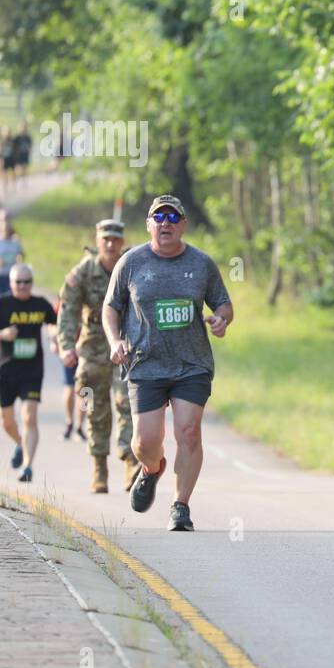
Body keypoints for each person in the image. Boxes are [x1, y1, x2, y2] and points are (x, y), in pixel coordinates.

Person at [104, 195, 233, 531]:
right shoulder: (131, 262)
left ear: (183, 225)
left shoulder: (201, 263)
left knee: (188, 431)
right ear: (148, 225)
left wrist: (221, 320)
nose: (165, 223)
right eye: (158, 217)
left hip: (192, 363)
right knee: (144, 442)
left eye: (173, 217)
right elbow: (111, 308)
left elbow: (223, 304)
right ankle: (151, 468)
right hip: (145, 363)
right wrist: (115, 340)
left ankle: (181, 505)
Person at [58, 219, 137, 494]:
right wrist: (67, 345)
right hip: (92, 346)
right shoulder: (83, 272)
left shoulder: (132, 266)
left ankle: (130, 459)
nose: (111, 244)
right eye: (106, 239)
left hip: (125, 345)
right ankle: (99, 466)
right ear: (98, 239)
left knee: (128, 400)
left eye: (116, 239)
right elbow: (67, 310)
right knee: (93, 404)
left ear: (122, 242)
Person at [0, 262, 57, 483]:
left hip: (32, 370)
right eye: (18, 282)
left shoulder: (40, 305)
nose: (23, 286)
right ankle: (20, 444)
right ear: (11, 283)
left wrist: (53, 336)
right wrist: (2, 334)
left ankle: (27, 466)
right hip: (4, 370)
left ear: (32, 283)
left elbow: (53, 323)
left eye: (27, 282)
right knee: (7, 421)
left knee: (29, 416)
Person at [51, 308, 87, 443]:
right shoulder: (66, 295)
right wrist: (54, 341)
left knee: (86, 390)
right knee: (70, 386)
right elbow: (52, 322)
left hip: (89, 349)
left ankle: (80, 425)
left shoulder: (96, 291)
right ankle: (70, 422)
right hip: (70, 349)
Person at [0, 210, 24, 296]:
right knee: (0, 301)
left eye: (7, 219)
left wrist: (19, 262)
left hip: (12, 276)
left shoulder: (15, 242)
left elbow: (21, 255)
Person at [12, 121, 32, 186]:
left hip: (25, 155)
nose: (23, 128)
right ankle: (16, 180)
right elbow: (13, 147)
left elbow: (30, 146)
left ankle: (24, 181)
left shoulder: (28, 137)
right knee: (18, 168)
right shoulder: (16, 138)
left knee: (24, 168)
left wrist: (29, 151)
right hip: (18, 156)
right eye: (21, 127)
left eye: (24, 127)